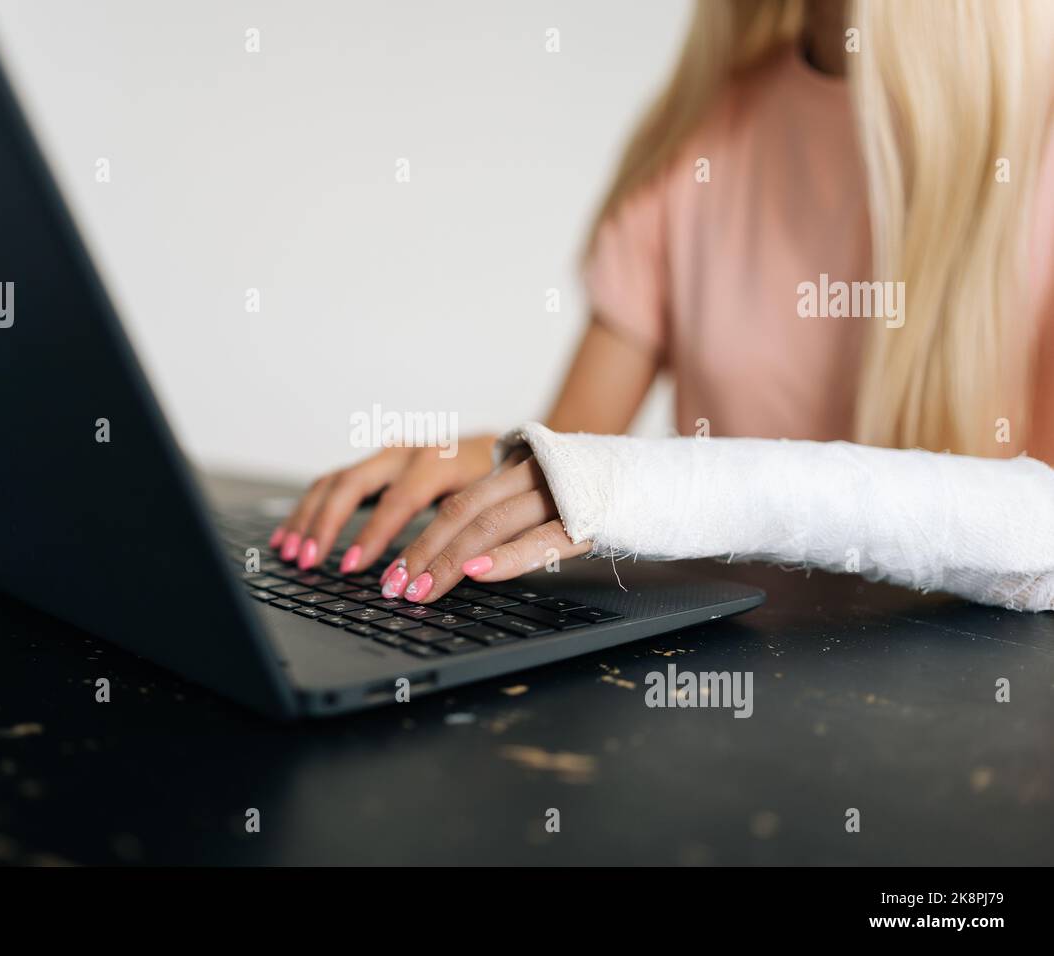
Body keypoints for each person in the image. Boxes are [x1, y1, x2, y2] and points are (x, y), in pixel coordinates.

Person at [270, 0, 1054, 610]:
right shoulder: (702, 133)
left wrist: (661, 489)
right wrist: (484, 468)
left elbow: (1042, 524)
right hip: (736, 691)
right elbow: (583, 462)